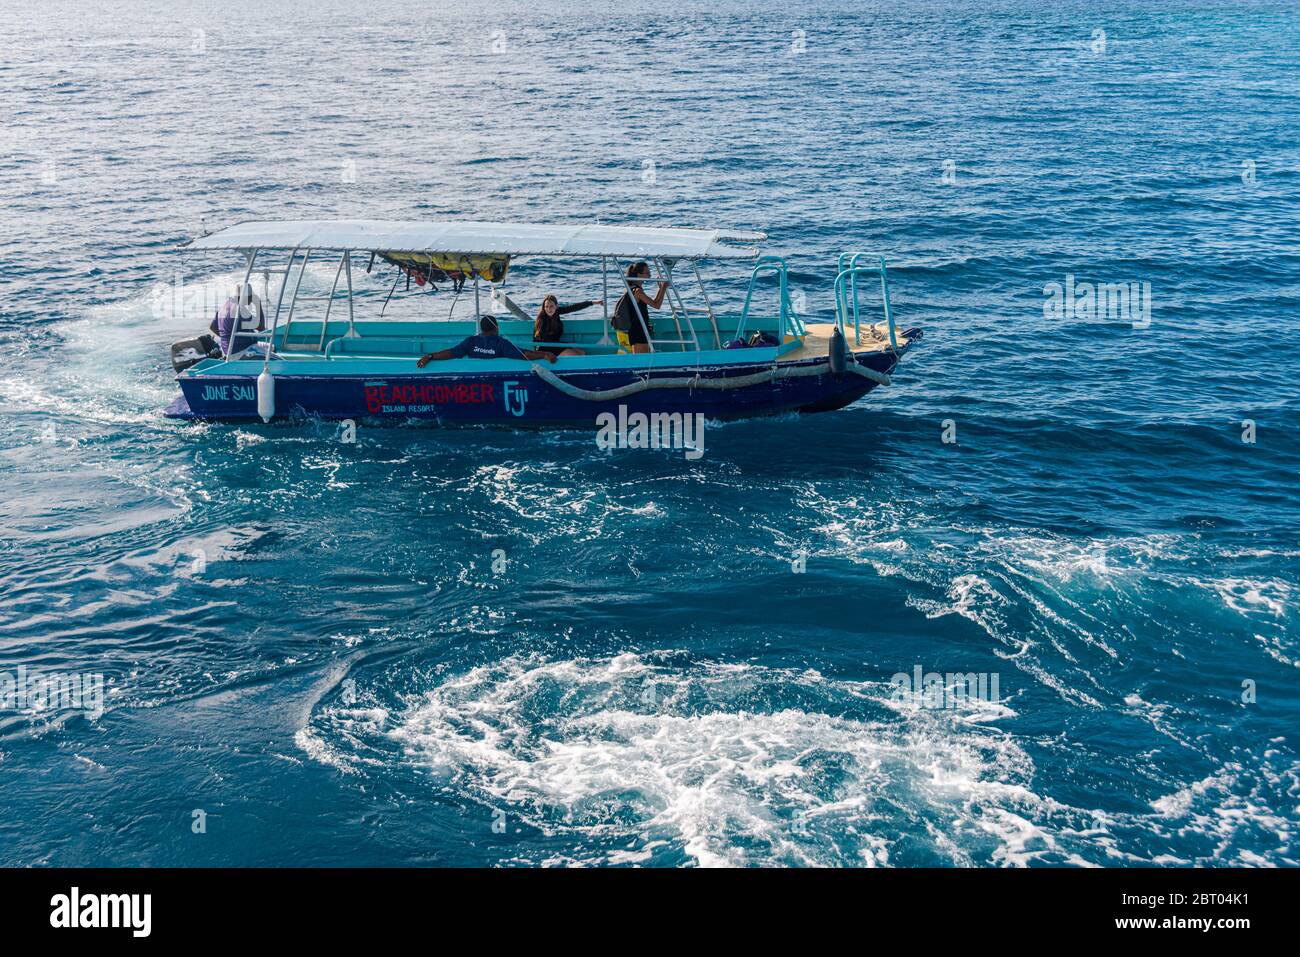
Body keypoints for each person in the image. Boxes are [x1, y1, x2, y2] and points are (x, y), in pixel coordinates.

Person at [416, 315, 557, 367]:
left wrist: (430, 356)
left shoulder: (471, 341)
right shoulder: (501, 343)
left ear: (482, 329)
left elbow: (452, 353)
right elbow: (525, 354)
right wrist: (544, 354)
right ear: (496, 328)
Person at [611, 261, 668, 354]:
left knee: (641, 358)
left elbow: (655, 303)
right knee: (642, 360)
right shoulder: (637, 291)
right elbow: (656, 305)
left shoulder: (635, 289)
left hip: (638, 329)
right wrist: (664, 288)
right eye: (647, 273)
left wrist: (661, 288)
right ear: (639, 275)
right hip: (638, 330)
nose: (650, 275)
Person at [533, 294, 600, 358]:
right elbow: (546, 341)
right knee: (577, 356)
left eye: (551, 306)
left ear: (556, 306)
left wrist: (592, 302)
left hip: (555, 346)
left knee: (582, 352)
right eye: (546, 306)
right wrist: (568, 344)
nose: (549, 309)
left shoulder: (557, 312)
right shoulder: (541, 320)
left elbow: (573, 307)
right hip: (545, 350)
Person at [209, 283, 265, 356]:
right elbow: (261, 328)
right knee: (274, 356)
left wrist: (228, 340)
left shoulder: (225, 305)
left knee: (272, 348)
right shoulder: (240, 310)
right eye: (251, 296)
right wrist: (258, 305)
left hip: (229, 351)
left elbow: (213, 327)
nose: (252, 299)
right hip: (242, 351)